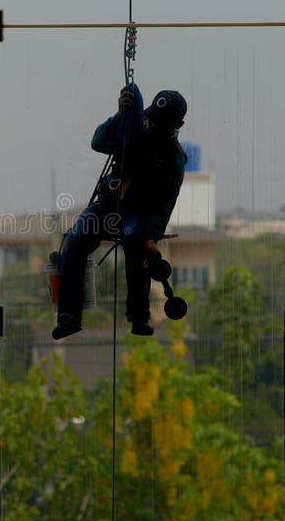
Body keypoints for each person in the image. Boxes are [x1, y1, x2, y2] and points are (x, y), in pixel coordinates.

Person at [52, 86, 187, 340]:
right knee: (76, 241)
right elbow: (98, 142)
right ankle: (68, 317)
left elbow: (165, 203)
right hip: (107, 203)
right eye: (151, 120)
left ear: (177, 124)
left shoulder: (173, 157)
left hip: (136, 213)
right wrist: (119, 116)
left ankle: (139, 315)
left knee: (137, 246)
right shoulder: (135, 132)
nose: (153, 127)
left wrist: (152, 236)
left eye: (160, 123)